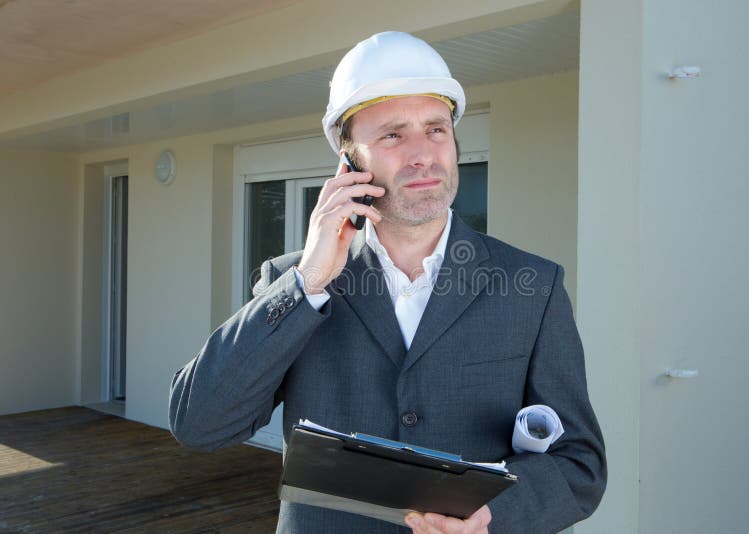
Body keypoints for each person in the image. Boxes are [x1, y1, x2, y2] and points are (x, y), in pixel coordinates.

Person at [170, 31, 606, 533]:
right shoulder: (293, 283)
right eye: (393, 136)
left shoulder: (534, 286)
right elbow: (199, 425)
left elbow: (579, 465)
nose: (423, 154)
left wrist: (493, 516)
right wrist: (308, 282)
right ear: (349, 165)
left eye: (436, 129)